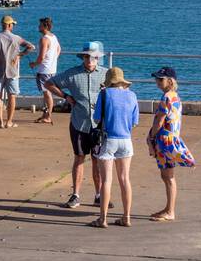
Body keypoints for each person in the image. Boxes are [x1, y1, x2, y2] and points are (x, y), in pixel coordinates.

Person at [46, 41, 107, 209]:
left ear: (98, 58)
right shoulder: (72, 74)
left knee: (97, 160)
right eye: (86, 56)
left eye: (93, 57)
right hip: (78, 123)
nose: (89, 60)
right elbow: (49, 83)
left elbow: (119, 89)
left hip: (98, 125)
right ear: (83, 57)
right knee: (79, 158)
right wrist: (66, 97)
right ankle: (75, 195)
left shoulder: (106, 74)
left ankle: (99, 195)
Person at [90, 67, 139, 228]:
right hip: (126, 140)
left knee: (106, 180)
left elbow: (97, 119)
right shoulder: (132, 95)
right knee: (125, 179)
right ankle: (126, 217)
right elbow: (134, 122)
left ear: (108, 81)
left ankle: (103, 219)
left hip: (108, 139)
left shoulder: (104, 95)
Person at [146, 66, 195, 222]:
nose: (157, 82)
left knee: (168, 176)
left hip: (164, 140)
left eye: (161, 79)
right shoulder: (175, 96)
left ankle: (170, 211)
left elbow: (159, 120)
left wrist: (151, 138)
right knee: (167, 175)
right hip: (171, 139)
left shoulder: (166, 97)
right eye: (157, 79)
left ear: (170, 81)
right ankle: (168, 208)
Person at [0, 15, 35, 129]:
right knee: (12, 96)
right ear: (9, 25)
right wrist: (20, 55)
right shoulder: (17, 38)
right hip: (12, 71)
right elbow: (31, 47)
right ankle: (9, 122)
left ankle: (0, 122)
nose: (13, 26)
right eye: (12, 24)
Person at [29, 17, 62, 125]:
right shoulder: (54, 37)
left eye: (40, 25)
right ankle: (45, 114)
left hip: (44, 70)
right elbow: (59, 50)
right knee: (47, 93)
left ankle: (48, 116)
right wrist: (53, 60)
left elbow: (41, 57)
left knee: (47, 93)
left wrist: (34, 64)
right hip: (52, 69)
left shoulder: (44, 39)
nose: (38, 27)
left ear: (45, 26)